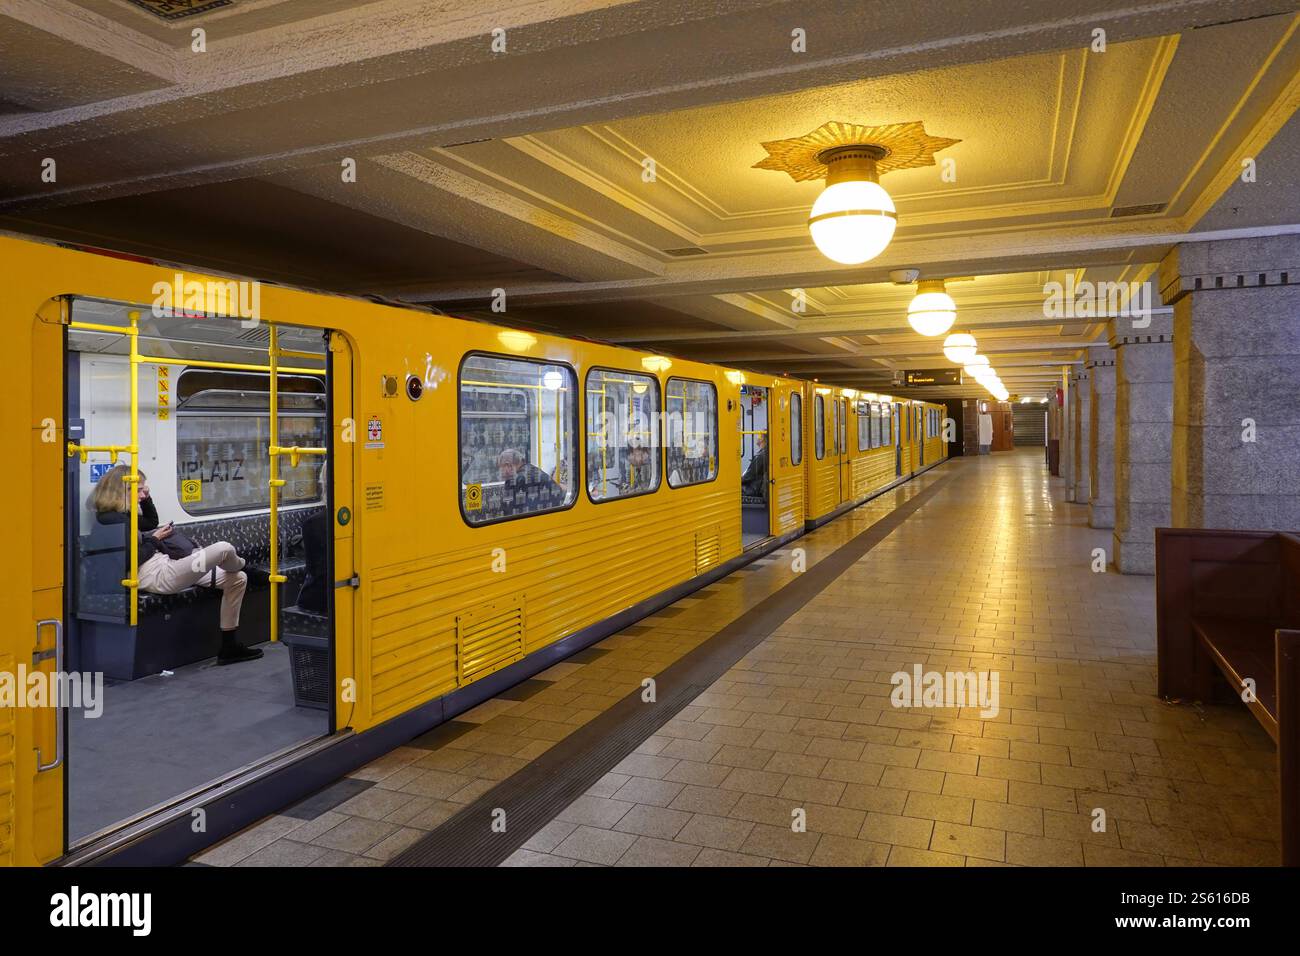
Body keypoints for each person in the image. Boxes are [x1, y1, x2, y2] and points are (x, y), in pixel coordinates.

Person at [90, 465, 261, 665]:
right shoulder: (110, 521)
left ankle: (229, 647)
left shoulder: (123, 515)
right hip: (158, 575)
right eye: (138, 490)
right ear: (123, 491)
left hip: (164, 564)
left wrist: (147, 496)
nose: (143, 495)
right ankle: (244, 565)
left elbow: (150, 520)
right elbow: (129, 560)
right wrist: (153, 540)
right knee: (223, 548)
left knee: (237, 580)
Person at [496, 448, 565, 509]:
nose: (501, 473)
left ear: (508, 465)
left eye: (501, 468)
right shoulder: (533, 469)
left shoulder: (517, 480)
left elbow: (507, 510)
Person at [741, 433, 768, 499]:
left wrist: (736, 482)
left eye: (758, 435)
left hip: (754, 488)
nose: (756, 437)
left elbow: (748, 476)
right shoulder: (766, 452)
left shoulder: (760, 456)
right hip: (758, 486)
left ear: (762, 439)